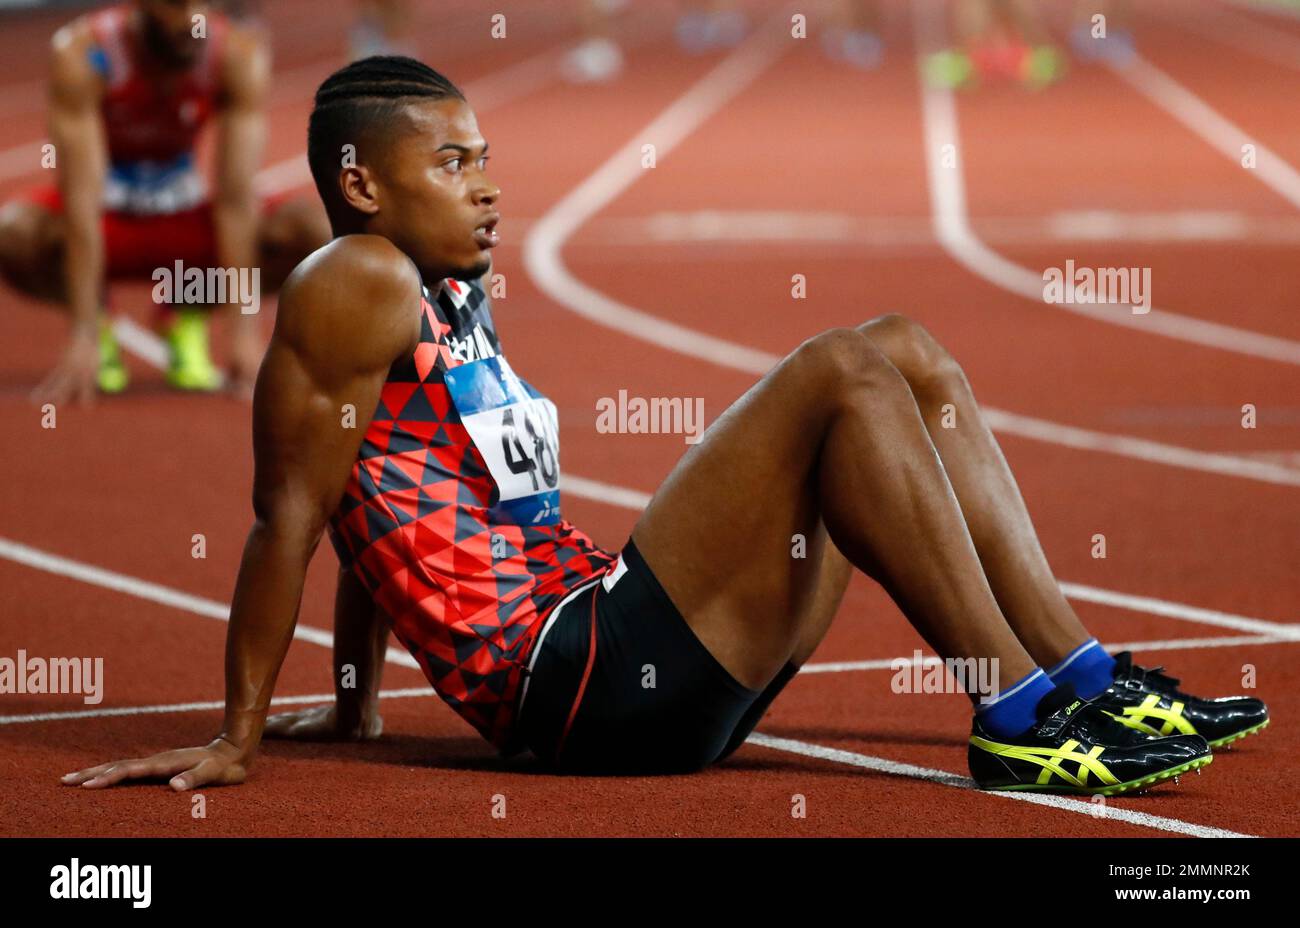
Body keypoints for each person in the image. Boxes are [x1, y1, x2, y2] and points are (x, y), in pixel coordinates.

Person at [63, 56, 1267, 795]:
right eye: (450, 164)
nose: (487, 185)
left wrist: (358, 695)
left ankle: (1084, 681)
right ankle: (1014, 716)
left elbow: (375, 495)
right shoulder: (351, 280)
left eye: (487, 158)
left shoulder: (436, 292)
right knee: (844, 369)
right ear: (363, 183)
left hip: (631, 668)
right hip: (577, 682)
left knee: (904, 349)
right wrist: (237, 736)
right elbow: (290, 514)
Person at [0, 0, 328, 404]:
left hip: (185, 224)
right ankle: (99, 320)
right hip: (107, 220)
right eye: (176, 5)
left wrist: (244, 333)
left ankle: (188, 308)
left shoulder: (235, 54)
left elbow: (236, 200)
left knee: (312, 233)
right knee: (10, 233)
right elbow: (80, 203)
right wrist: (82, 330)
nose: (192, 18)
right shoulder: (84, 53)